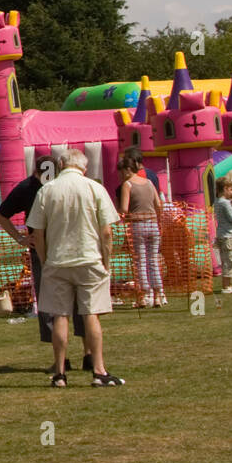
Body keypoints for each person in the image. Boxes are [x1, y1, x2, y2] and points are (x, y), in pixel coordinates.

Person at [26, 149, 125, 387]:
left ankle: (60, 372)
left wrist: (44, 257)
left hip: (57, 260)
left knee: (60, 315)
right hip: (89, 257)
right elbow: (107, 231)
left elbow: (37, 233)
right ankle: (99, 370)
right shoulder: (95, 188)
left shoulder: (46, 190)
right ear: (85, 167)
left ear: (60, 165)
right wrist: (106, 260)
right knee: (91, 314)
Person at [0, 169, 92, 373]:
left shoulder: (64, 186)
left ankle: (88, 354)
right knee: (50, 306)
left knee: (79, 302)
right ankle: (61, 360)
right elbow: (2, 215)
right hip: (42, 251)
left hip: (68, 249)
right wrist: (19, 238)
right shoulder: (26, 188)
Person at [119, 152, 165, 307]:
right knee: (153, 260)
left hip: (137, 225)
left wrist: (123, 215)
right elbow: (159, 205)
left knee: (140, 261)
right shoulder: (149, 183)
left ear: (126, 169)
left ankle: (143, 296)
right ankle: (158, 295)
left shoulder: (128, 184)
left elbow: (124, 208)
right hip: (153, 224)